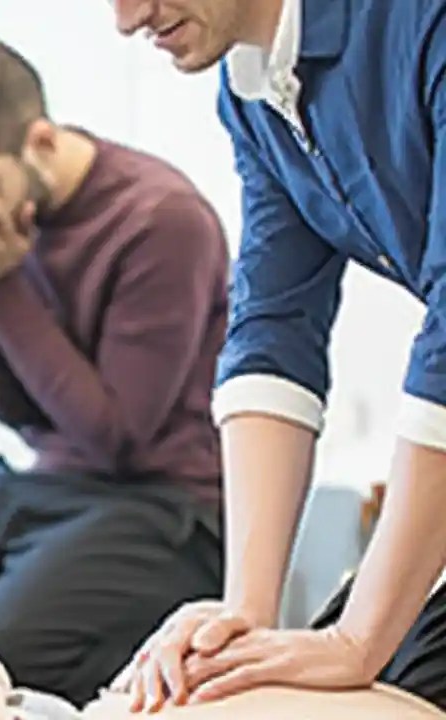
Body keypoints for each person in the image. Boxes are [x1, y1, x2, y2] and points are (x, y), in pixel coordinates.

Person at [0, 32, 229, 708]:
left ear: (41, 143)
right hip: (45, 487)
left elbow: (117, 437)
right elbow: (17, 410)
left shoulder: (161, 221)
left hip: (162, 504)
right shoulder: (12, 221)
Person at [108, 0, 446, 714]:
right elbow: (273, 330)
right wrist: (243, 615)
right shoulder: (254, 93)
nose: (127, 17)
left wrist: (358, 640)